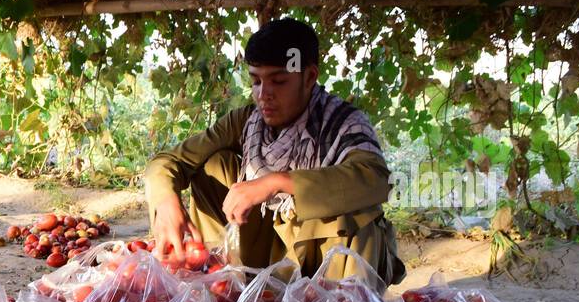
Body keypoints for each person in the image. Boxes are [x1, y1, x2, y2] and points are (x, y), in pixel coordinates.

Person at [145, 17, 405, 284]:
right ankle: (221, 283)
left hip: (319, 264)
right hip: (261, 252)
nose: (264, 94)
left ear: (309, 77)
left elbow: (376, 181)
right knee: (213, 165)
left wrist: (276, 182)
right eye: (256, 81)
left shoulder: (343, 124)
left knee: (357, 208)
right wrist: (165, 201)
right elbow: (166, 162)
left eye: (278, 81)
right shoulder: (246, 122)